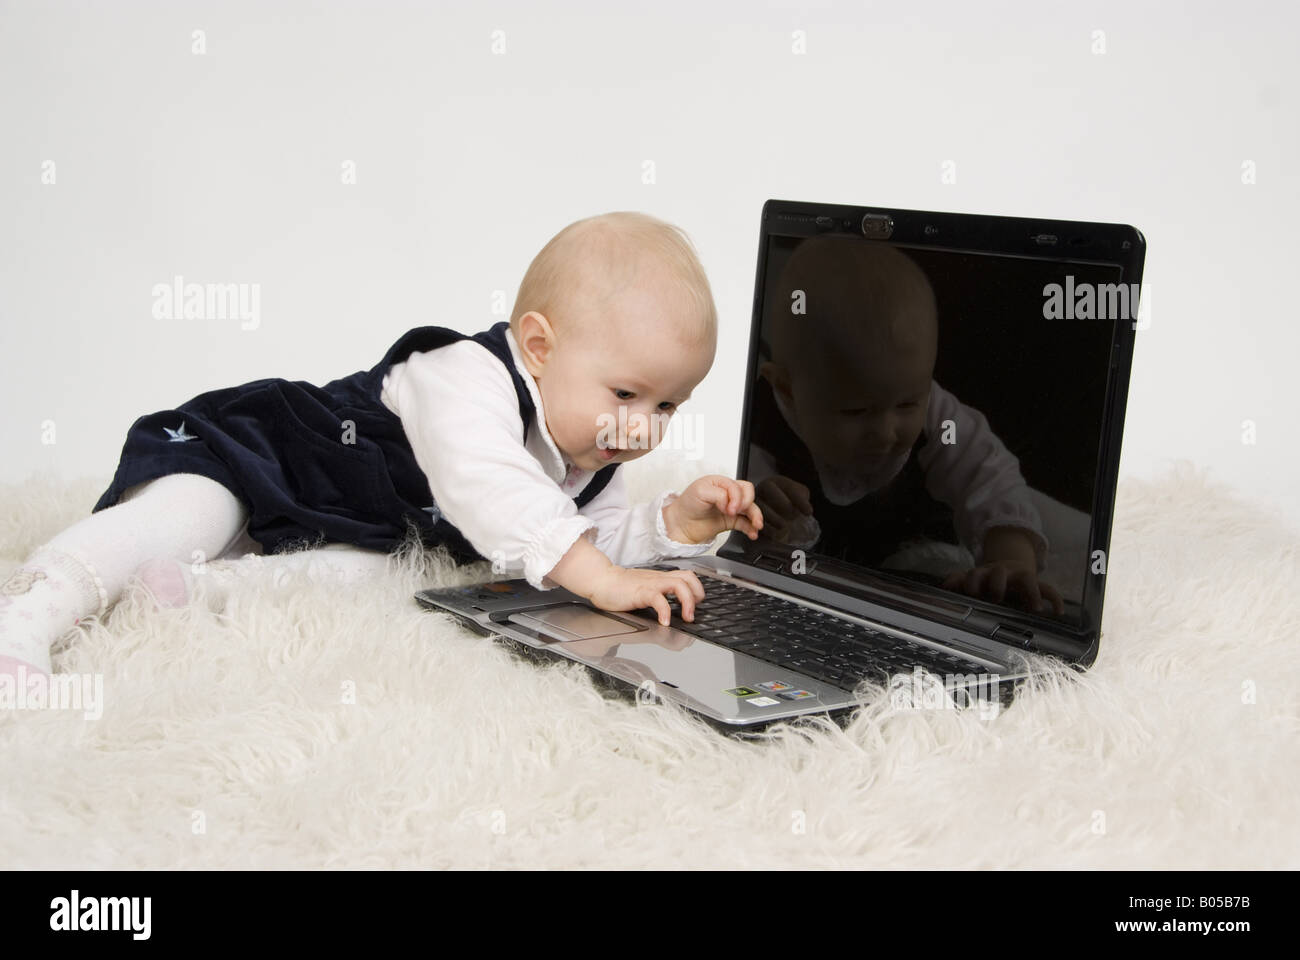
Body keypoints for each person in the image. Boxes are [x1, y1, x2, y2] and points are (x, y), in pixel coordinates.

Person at [0, 211, 764, 677]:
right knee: (188, 514)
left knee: (393, 580)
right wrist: (598, 574)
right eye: (626, 395)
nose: (643, 427)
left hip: (354, 523)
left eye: (669, 404)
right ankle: (37, 609)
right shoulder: (465, 376)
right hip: (262, 455)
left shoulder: (593, 461)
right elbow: (492, 490)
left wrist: (671, 527)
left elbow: (584, 545)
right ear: (537, 346)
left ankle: (198, 592)